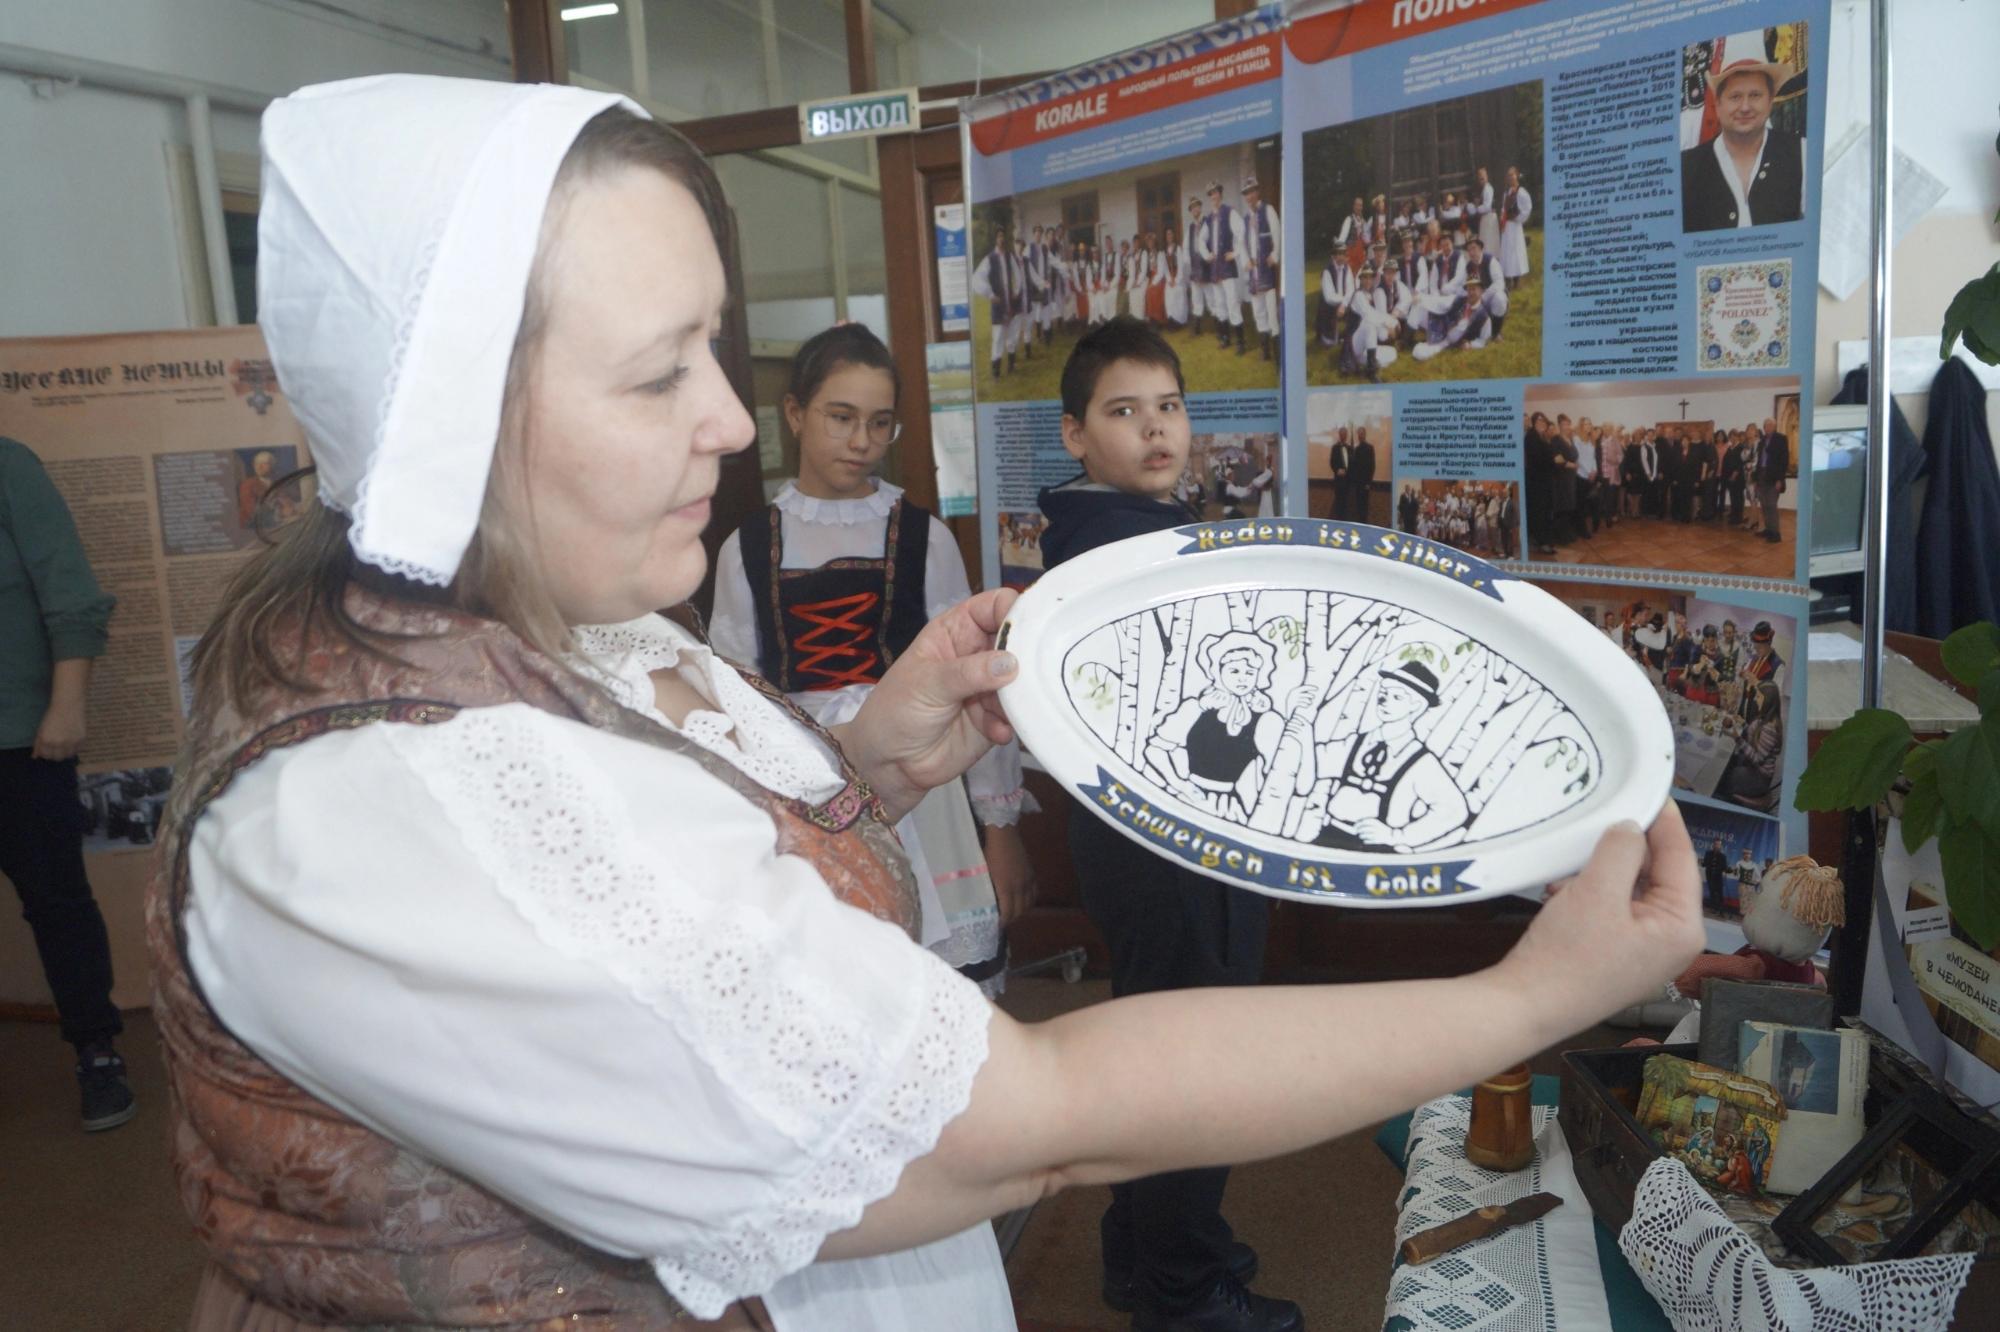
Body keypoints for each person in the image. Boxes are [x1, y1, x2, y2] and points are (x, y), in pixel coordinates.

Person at [159, 81, 1706, 1332]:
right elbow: (1031, 1110)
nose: (722, 418)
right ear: (456, 423)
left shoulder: (562, 623)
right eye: (655, 375)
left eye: (717, 345)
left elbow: (688, 870)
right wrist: (1523, 1002)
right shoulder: (395, 822)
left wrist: (869, 760)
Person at [712, 323, 1037, 998]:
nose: (862, 441)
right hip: (803, 788)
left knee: (939, 988)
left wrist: (1000, 827)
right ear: (796, 414)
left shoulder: (925, 538)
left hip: (923, 782)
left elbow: (979, 684)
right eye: (841, 418)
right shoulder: (746, 547)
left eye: (880, 423)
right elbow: (729, 696)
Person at [0, 436, 132, 1132]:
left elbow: (71, 596)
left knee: (57, 904)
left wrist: (68, 705)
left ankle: (97, 1050)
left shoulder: (10, 467)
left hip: (18, 742)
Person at [1302, 660, 1470, 853]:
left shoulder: (1421, 762)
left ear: (1416, 706)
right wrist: (1303, 723)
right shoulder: (1354, 744)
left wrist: (1398, 836)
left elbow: (1454, 810)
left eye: (1397, 697)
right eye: (1383, 694)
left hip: (1377, 853)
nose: (1384, 701)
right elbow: (1311, 762)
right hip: (1329, 838)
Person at [1681, 31, 1806, 232]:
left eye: (1755, 95)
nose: (1745, 107)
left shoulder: (1801, 152)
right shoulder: (1685, 168)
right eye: (1735, 97)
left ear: (1770, 100)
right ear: (1718, 103)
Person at [1197, 181, 1246, 355]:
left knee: (1232, 302)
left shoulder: (1229, 212)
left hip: (1228, 267)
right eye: (1210, 194)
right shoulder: (1209, 219)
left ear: (1220, 194)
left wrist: (1236, 252)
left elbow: (1242, 231)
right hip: (1215, 269)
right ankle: (1225, 338)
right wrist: (1206, 255)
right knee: (1219, 304)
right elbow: (1201, 240)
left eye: (1215, 193)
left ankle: (1240, 342)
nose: (1213, 197)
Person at [1239, 177, 1281, 362]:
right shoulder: (1245, 218)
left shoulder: (1268, 210)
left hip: (1266, 269)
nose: (1249, 196)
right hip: (1253, 273)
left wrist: (1275, 254)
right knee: (1259, 313)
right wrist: (1245, 260)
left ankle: (1278, 352)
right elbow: (1240, 243)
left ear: (1257, 192)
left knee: (1272, 312)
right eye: (1246, 194)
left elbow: (1277, 234)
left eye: (1251, 192)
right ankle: (1265, 351)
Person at [974, 224, 1024, 378]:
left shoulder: (1010, 256)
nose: (1001, 239)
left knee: (1013, 335)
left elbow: (1018, 275)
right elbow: (976, 278)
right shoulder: (990, 259)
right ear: (995, 239)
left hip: (1011, 303)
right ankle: (996, 372)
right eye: (999, 237)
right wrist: (989, 294)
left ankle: (1011, 364)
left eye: (1003, 236)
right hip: (998, 305)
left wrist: (1016, 291)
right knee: (997, 337)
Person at [1755, 416, 1789, 543]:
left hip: (1774, 477)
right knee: (1764, 505)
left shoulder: (1781, 439)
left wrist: (1780, 479)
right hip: (1762, 475)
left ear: (1774, 427)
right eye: (1765, 426)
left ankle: (1776, 533)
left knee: (1771, 505)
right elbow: (1759, 460)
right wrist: (1756, 478)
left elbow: (1784, 460)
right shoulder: (1762, 440)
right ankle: (1768, 530)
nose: (1767, 428)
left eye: (1770, 425)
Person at [1498, 166, 1533, 280]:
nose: (1510, 177)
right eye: (1508, 175)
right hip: (1507, 226)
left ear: (1517, 175)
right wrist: (1503, 216)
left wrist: (1517, 218)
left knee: (1515, 250)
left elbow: (1527, 208)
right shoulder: (1507, 193)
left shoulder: (1521, 192)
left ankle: (1517, 278)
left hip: (1515, 226)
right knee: (1507, 250)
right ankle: (1508, 276)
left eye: (1512, 175)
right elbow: (1504, 207)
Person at [1185, 195, 1211, 337]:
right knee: (1196, 298)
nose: (1194, 209)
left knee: (1211, 297)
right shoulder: (1190, 228)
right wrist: (1189, 263)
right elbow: (1185, 247)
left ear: (1200, 207)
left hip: (1206, 265)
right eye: (1192, 208)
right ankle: (1197, 328)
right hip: (1195, 267)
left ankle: (1219, 327)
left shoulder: (1207, 223)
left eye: (1196, 206)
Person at [1350, 425, 1378, 524]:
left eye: (1362, 434)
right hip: (1357, 482)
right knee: (1358, 503)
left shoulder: (1370, 448)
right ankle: (1359, 521)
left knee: (1365, 504)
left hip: (1365, 482)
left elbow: (1372, 466)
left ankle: (1364, 522)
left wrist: (1369, 482)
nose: (1360, 436)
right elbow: (1354, 466)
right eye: (1359, 434)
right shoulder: (1356, 449)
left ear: (1365, 435)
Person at [1327, 425, 1353, 521]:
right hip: (1339, 479)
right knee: (1339, 499)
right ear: (1339, 435)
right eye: (1342, 434)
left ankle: (1346, 518)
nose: (1343, 436)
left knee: (1347, 499)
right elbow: (1332, 462)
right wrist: (1337, 470)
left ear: (1346, 435)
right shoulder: (1335, 448)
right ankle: (1339, 518)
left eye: (1345, 434)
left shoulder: (1350, 448)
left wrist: (1349, 473)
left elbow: (1352, 463)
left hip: (1348, 479)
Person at [1701, 838, 1731, 915]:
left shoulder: (1723, 856)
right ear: (1713, 845)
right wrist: (1704, 863)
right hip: (1710, 875)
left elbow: (1725, 867)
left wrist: (1728, 870)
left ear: (1721, 846)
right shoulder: (1708, 853)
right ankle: (1714, 909)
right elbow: (1704, 863)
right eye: (1716, 844)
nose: (1717, 846)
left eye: (1719, 844)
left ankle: (1721, 910)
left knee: (1719, 893)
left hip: (1718, 877)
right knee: (1712, 892)